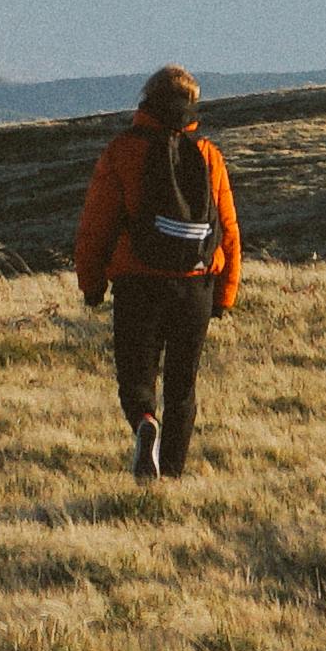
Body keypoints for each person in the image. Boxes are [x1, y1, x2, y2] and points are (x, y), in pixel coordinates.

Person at [72, 67, 242, 480]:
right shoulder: (208, 154)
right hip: (195, 285)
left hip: (138, 282)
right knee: (182, 388)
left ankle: (145, 421)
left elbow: (96, 224)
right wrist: (225, 294)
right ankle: (170, 477)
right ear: (191, 105)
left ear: (147, 99)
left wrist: (92, 283)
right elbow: (228, 227)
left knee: (136, 377)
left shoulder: (123, 150)